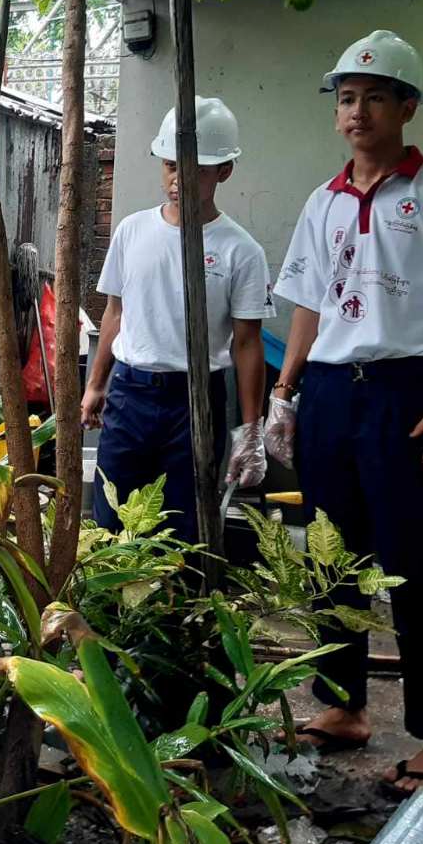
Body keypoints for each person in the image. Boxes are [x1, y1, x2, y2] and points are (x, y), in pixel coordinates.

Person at [265, 29, 423, 799]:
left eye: (371, 97)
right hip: (329, 393)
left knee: (416, 564)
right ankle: (341, 706)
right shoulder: (321, 201)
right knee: (333, 558)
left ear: (406, 106)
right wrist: (284, 394)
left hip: (402, 393)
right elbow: (306, 303)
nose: (355, 111)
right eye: (345, 98)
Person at [82, 96, 273, 542]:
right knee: (112, 519)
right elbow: (115, 312)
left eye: (195, 169)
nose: (177, 179)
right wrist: (95, 385)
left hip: (196, 401)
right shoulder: (132, 231)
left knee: (186, 526)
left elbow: (247, 343)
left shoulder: (240, 250)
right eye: (170, 165)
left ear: (223, 171)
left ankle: (179, 612)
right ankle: (110, 612)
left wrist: (251, 430)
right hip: (130, 393)